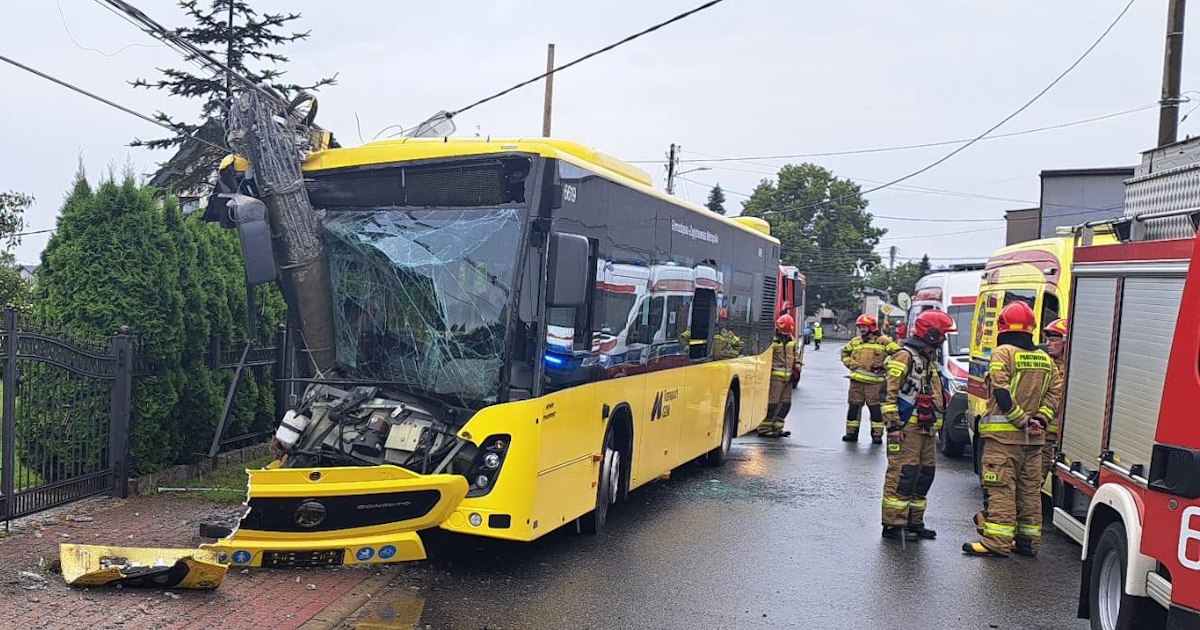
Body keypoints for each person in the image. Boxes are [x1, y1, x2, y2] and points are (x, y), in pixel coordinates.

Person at [963, 302, 1062, 558]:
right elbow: (1054, 395)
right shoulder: (1045, 359)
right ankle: (1028, 542)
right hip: (1034, 442)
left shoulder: (1003, 353)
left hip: (1003, 439)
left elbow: (1000, 390)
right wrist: (1039, 419)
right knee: (1029, 491)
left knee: (1001, 488)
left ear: (1003, 326)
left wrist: (1021, 420)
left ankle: (997, 542)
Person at [879, 309, 955, 541]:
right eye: (942, 334)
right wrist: (893, 427)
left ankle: (914, 521)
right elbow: (888, 392)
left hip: (926, 429)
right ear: (930, 334)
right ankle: (893, 524)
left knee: (924, 474)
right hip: (906, 429)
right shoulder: (905, 356)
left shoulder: (927, 357)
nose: (943, 339)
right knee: (904, 473)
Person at [840, 315, 900, 444]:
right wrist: (850, 363)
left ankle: (877, 435)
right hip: (856, 383)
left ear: (871, 327)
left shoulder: (883, 341)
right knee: (853, 409)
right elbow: (844, 353)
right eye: (860, 327)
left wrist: (884, 365)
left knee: (876, 410)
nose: (861, 329)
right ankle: (851, 433)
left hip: (875, 384)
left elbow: (899, 355)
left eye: (864, 327)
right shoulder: (855, 342)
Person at [758, 315, 799, 437]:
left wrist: (797, 365)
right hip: (775, 378)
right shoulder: (771, 340)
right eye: (783, 332)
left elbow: (796, 354)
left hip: (788, 378)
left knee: (786, 404)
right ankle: (764, 429)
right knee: (772, 404)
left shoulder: (791, 340)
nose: (785, 334)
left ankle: (777, 428)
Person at [1040, 318, 1068, 478]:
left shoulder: (1073, 368)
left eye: (1053, 340)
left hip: (1067, 439)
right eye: (1047, 340)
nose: (1048, 344)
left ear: (1066, 342)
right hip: (1046, 436)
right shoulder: (1046, 365)